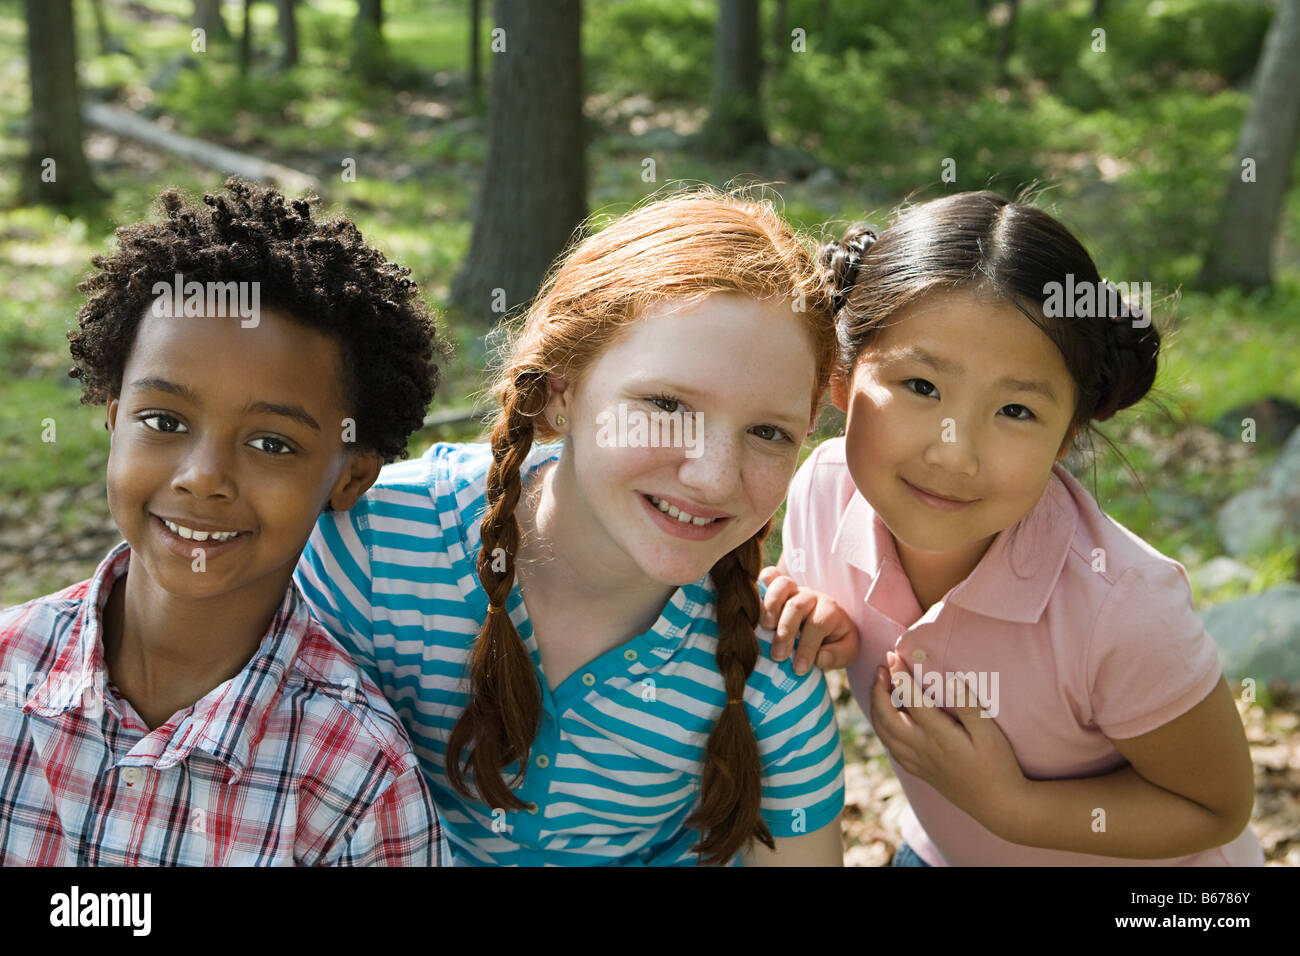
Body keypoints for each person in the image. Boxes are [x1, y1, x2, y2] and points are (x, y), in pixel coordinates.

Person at [295, 188, 854, 865]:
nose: (713, 476)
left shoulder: (769, 662)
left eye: (768, 431)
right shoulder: (370, 546)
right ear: (561, 392)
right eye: (667, 405)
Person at [764, 190, 1264, 866]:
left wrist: (1012, 808)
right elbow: (835, 613)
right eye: (922, 387)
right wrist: (820, 619)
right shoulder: (824, 492)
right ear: (843, 375)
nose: (954, 453)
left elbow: (1215, 806)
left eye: (1017, 411)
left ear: (1067, 437)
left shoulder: (1120, 606)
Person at [0, 179, 447, 866]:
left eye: (272, 443)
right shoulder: (7, 674)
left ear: (351, 474)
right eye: (164, 421)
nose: (202, 475)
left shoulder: (358, 782)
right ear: (115, 421)